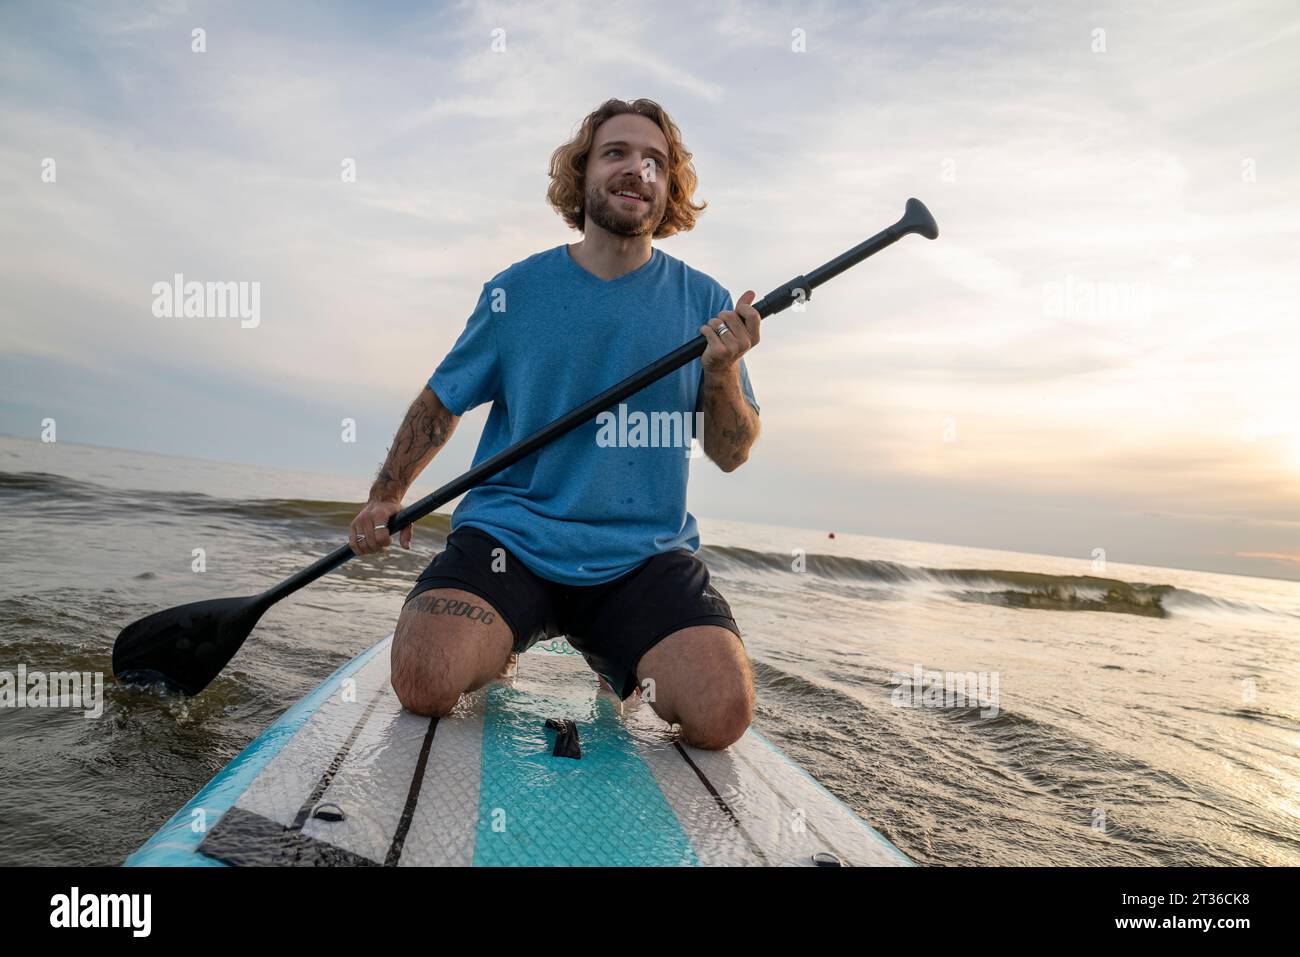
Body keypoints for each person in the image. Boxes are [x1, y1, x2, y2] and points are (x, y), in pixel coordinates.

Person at [349, 98, 762, 750]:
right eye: (617, 153)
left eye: (655, 161)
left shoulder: (706, 304)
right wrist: (387, 492)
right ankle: (500, 644)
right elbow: (441, 400)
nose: (636, 170)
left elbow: (732, 453)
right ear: (584, 172)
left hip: (641, 556)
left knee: (722, 712)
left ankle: (615, 661)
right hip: (511, 538)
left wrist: (721, 373)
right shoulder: (517, 291)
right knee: (424, 679)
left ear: (670, 188)